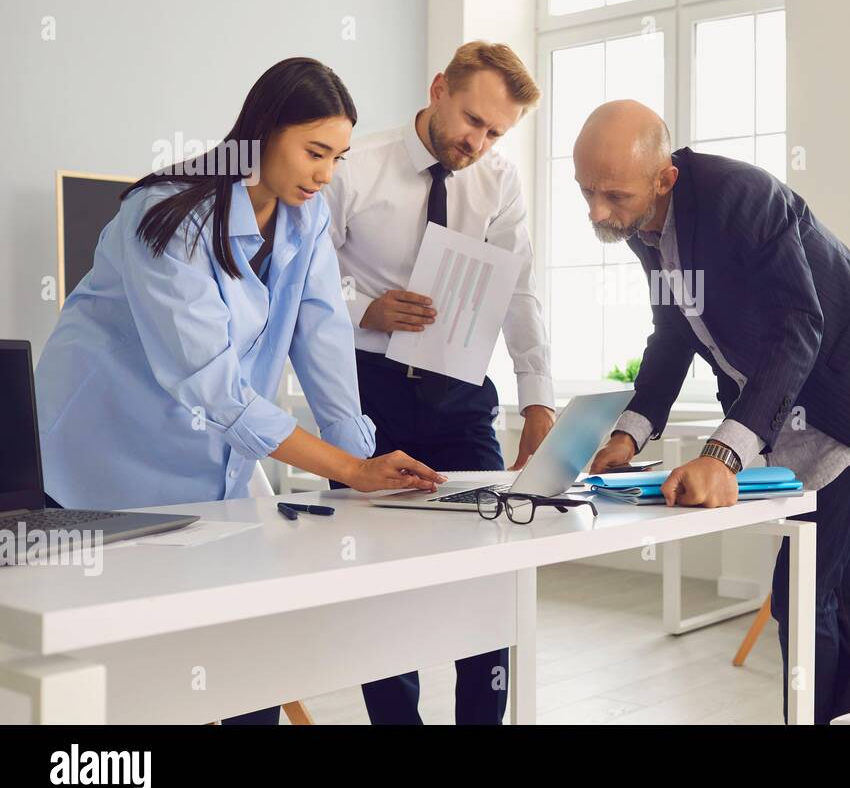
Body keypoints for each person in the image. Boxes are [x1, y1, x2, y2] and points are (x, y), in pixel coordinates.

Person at [36, 57, 444, 724]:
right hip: (94, 467)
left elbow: (323, 338)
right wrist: (349, 470)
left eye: (338, 158)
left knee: (248, 669)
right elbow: (215, 389)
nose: (325, 175)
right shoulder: (164, 217)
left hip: (203, 478)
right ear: (261, 135)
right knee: (121, 684)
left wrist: (360, 467)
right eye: (315, 152)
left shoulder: (305, 218)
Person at [578, 100, 850, 724]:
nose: (597, 212)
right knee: (841, 590)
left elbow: (799, 326)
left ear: (663, 178)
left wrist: (722, 455)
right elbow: (673, 334)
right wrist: (628, 435)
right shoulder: (642, 225)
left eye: (613, 194)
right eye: (586, 190)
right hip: (789, 409)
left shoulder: (740, 198)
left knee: (801, 594)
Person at [322, 41, 553, 725]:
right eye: (473, 120)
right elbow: (301, 284)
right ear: (438, 89)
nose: (478, 142)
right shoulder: (354, 171)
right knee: (380, 579)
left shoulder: (498, 182)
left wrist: (536, 398)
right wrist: (365, 308)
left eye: (495, 132)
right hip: (370, 393)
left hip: (459, 396)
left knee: (487, 568)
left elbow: (519, 292)